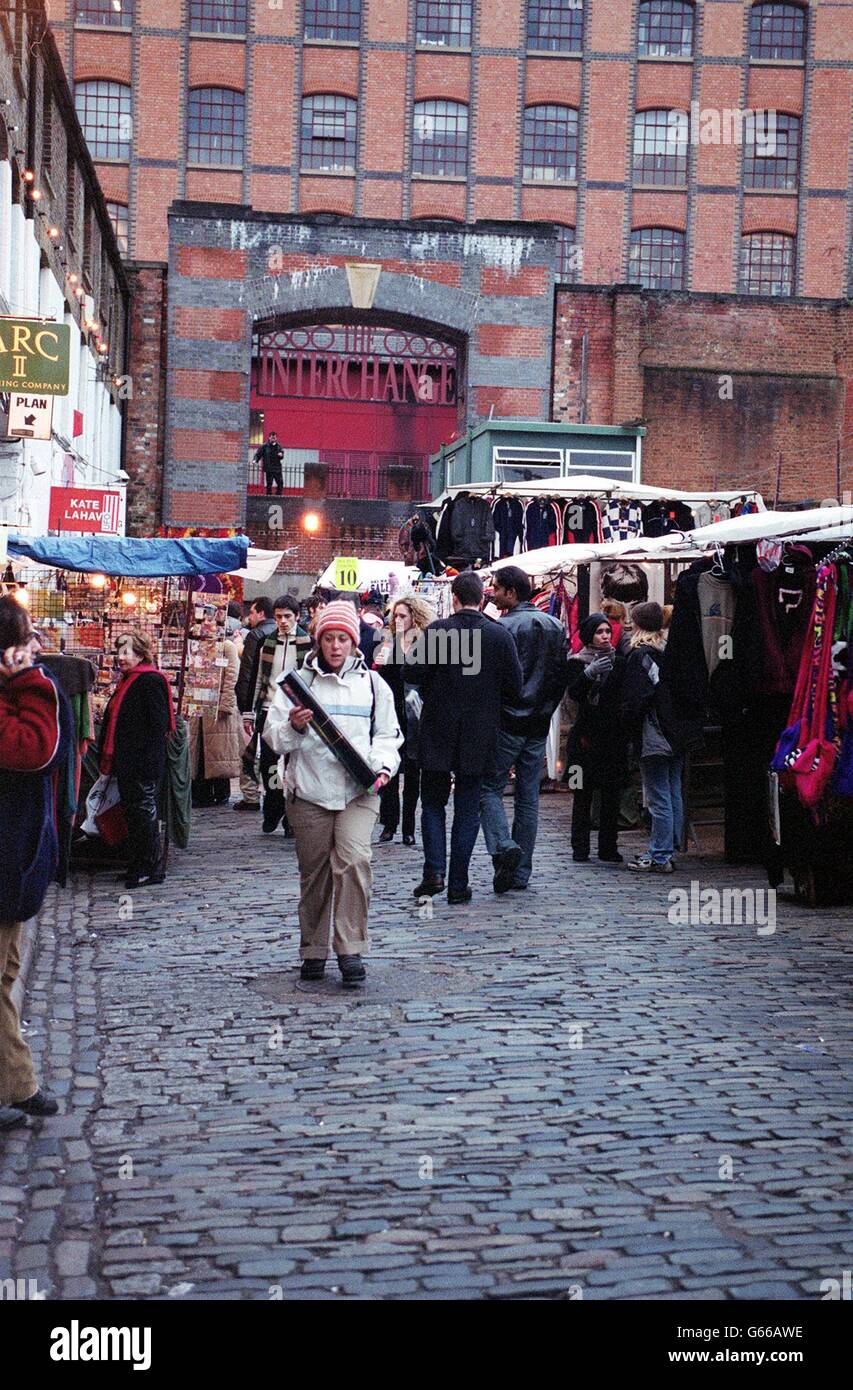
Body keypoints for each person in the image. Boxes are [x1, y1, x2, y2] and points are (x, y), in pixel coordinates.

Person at [262, 600, 402, 988]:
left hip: (358, 791)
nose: (336, 646)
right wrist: (294, 727)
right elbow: (273, 738)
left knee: (355, 860)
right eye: (329, 638)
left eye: (343, 638)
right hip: (310, 791)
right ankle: (313, 949)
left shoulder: (374, 685)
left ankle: (350, 948)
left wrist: (381, 766)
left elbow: (387, 734)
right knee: (315, 873)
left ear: (354, 642)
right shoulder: (296, 687)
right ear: (319, 641)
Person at [407, 571, 523, 905]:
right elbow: (515, 690)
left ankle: (434, 871)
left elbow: (411, 673)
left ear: (454, 598)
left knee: (432, 802)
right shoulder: (499, 636)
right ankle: (458, 882)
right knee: (468, 808)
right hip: (480, 732)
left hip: (438, 728)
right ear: (482, 598)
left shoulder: (439, 632)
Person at [0, 597, 70, 1128]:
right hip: (7, 859)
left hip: (16, 859)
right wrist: (27, 682)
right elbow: (30, 749)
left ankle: (16, 1083)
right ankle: (18, 1084)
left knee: (7, 971)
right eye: (25, 638)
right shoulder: (24, 690)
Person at [480, 566, 568, 893]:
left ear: (512, 592)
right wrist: (545, 708)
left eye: (497, 588)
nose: (492, 592)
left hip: (509, 720)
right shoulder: (555, 626)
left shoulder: (501, 628)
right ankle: (520, 872)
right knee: (528, 796)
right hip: (538, 721)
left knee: (489, 787)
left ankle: (504, 846)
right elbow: (562, 675)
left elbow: (492, 680)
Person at [99, 630, 175, 889]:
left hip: (141, 762)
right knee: (133, 814)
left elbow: (158, 726)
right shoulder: (128, 680)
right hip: (127, 760)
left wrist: (150, 764)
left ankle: (149, 867)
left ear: (140, 654)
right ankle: (137, 864)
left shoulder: (149, 681)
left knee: (143, 814)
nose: (120, 657)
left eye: (126, 651)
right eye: (118, 651)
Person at [621, 601, 690, 874]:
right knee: (672, 791)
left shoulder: (641, 656)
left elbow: (638, 698)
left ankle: (660, 854)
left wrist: (627, 725)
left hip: (654, 732)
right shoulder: (667, 652)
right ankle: (667, 847)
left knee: (659, 795)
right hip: (675, 731)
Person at [565, 611, 628, 864]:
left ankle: (608, 847)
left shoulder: (620, 662)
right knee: (582, 795)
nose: (604, 636)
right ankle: (580, 848)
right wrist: (589, 674)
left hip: (612, 739)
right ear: (590, 635)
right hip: (584, 740)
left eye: (607, 632)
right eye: (599, 632)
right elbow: (573, 697)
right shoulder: (577, 663)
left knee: (611, 796)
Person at [374, 591, 435, 845]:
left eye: (402, 615)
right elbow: (378, 675)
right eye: (394, 615)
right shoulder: (387, 641)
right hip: (391, 712)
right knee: (389, 769)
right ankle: (389, 824)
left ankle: (408, 827)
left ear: (414, 616)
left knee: (413, 773)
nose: (397, 619)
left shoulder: (424, 643)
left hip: (416, 714)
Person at [253, 595, 310, 834]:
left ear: (297, 616)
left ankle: (290, 815)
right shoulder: (267, 642)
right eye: (278, 616)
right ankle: (274, 805)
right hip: (269, 708)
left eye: (288, 616)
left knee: (293, 766)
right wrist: (251, 710)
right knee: (269, 764)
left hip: (296, 711)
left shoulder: (308, 644)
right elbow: (259, 677)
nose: (283, 621)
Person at [189, 634, 243, 808]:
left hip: (218, 706)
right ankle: (202, 794)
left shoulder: (227, 646)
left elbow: (232, 676)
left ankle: (220, 792)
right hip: (200, 704)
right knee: (200, 751)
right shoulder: (197, 645)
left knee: (218, 752)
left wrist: (226, 704)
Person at [234, 597, 277, 811]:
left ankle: (251, 795)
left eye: (251, 612)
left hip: (256, 704)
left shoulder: (255, 635)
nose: (249, 617)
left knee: (250, 752)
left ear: (261, 613)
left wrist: (245, 707)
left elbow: (248, 674)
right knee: (272, 757)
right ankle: (272, 796)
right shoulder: (281, 634)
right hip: (274, 705)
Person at [254, 431, 284, 495]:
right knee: (269, 484)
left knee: (280, 483)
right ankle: (269, 496)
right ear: (269, 438)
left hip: (277, 468)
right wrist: (255, 460)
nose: (273, 439)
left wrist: (281, 455)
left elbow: (282, 455)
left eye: (274, 438)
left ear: (276, 438)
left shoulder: (279, 446)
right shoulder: (264, 446)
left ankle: (278, 495)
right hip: (269, 468)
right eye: (272, 437)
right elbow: (258, 454)